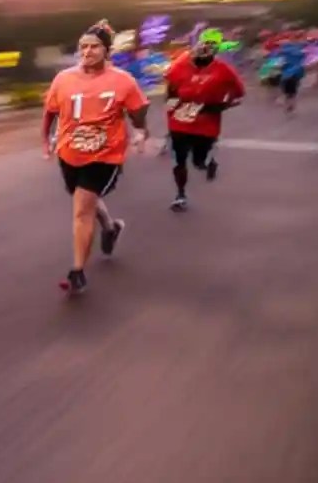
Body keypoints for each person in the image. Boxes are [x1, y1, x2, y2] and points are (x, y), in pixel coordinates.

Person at [43, 21, 150, 295]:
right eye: (83, 47)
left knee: (81, 209)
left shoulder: (123, 80)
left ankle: (77, 271)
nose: (87, 52)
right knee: (84, 199)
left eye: (94, 47)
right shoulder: (63, 78)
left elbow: (138, 110)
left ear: (107, 50)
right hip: (70, 151)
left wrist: (140, 130)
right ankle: (110, 227)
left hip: (105, 154)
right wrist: (47, 139)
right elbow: (51, 112)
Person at [163, 29, 246, 211]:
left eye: (212, 45)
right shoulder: (181, 64)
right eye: (204, 43)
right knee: (179, 160)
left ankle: (208, 163)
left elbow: (239, 92)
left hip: (206, 122)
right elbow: (170, 87)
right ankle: (180, 195)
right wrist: (172, 104)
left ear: (217, 49)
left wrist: (223, 105)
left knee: (198, 162)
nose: (206, 47)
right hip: (179, 121)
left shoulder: (223, 70)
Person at [277, 37, 307, 115]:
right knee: (293, 92)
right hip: (296, 74)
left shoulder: (283, 53)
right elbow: (304, 61)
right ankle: (292, 105)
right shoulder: (299, 52)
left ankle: (287, 105)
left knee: (286, 92)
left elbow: (280, 65)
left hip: (286, 75)